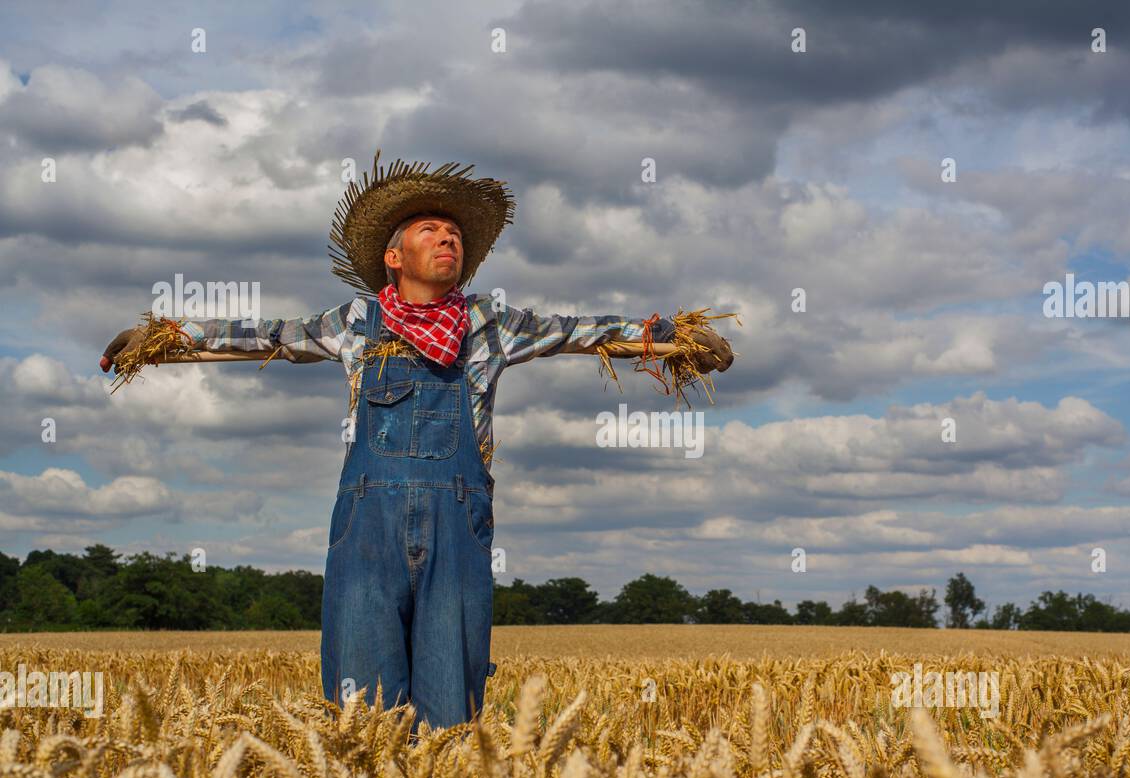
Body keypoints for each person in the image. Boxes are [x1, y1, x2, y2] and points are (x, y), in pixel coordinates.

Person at [100, 153, 735, 736]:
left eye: (454, 232)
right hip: (366, 526)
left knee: (451, 710)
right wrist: (163, 337)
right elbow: (266, 335)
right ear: (394, 258)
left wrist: (674, 339)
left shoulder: (493, 324)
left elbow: (587, 332)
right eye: (430, 229)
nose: (449, 237)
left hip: (459, 526)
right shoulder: (353, 323)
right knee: (362, 712)